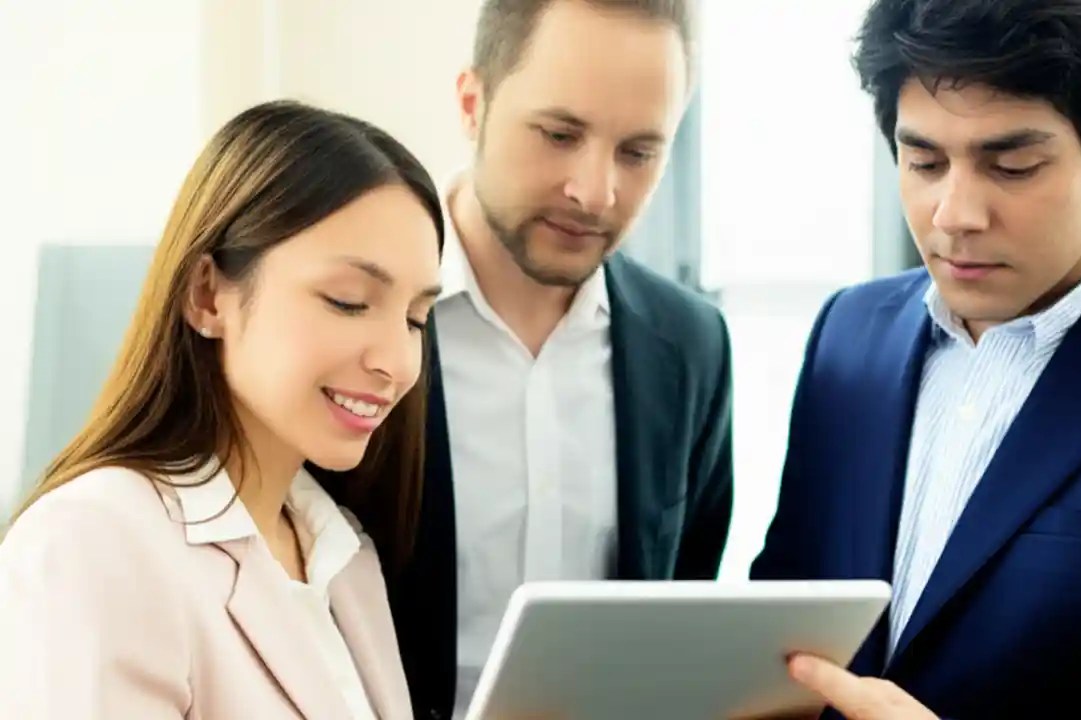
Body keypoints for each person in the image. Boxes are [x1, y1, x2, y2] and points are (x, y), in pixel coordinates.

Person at [753, 0, 1081, 718]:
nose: (954, 215)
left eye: (1012, 167)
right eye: (924, 162)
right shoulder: (848, 335)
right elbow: (780, 622)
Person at [0, 100, 445, 719]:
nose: (395, 363)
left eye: (416, 319)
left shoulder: (344, 556)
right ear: (208, 295)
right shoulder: (93, 542)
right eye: (348, 301)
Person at [382, 0, 733, 717]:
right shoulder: (359, 314)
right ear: (473, 104)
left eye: (638, 152)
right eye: (560, 134)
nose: (595, 193)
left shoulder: (692, 347)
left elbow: (681, 614)